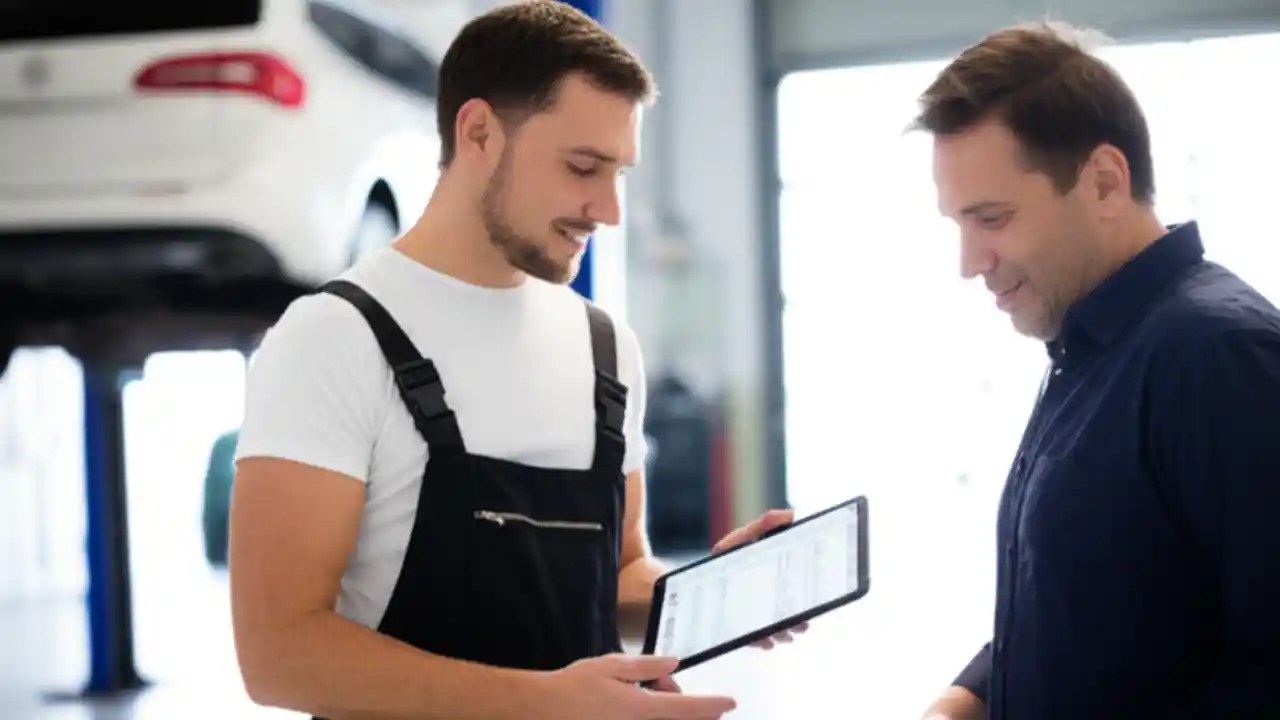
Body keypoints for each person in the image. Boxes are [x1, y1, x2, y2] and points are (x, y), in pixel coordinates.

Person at [228, 3, 800, 719]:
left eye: (618, 172)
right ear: (478, 133)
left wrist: (713, 592)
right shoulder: (334, 338)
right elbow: (279, 654)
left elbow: (615, 571)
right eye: (583, 167)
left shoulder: (606, 348)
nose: (607, 208)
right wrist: (544, 703)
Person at [911, 22, 1280, 720]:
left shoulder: (1218, 357)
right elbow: (1098, 608)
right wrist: (968, 698)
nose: (970, 261)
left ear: (1105, 182)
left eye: (992, 218)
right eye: (958, 223)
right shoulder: (1090, 346)